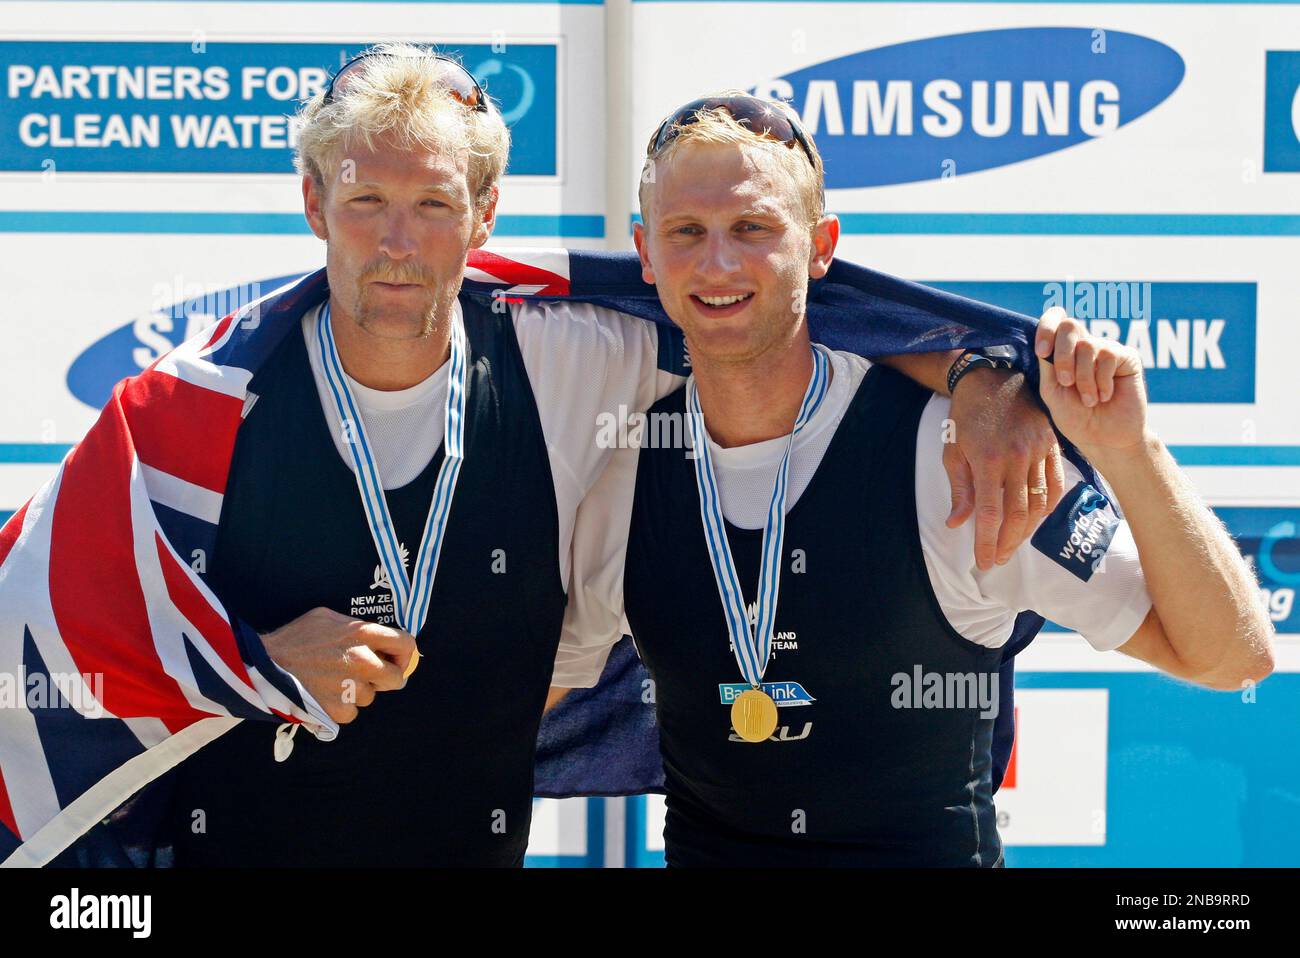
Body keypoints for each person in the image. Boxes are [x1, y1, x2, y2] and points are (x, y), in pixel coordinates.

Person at [121, 49, 1055, 866]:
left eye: (434, 203)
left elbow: (767, 319)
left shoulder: (569, 351)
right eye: (366, 200)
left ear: (485, 214)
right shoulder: (196, 402)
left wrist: (981, 371)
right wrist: (254, 660)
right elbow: (66, 632)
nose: (397, 243)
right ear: (315, 204)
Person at [557, 94, 1277, 866]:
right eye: (686, 233)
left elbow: (1230, 657)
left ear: (821, 246)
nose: (718, 263)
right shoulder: (622, 473)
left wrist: (1133, 453)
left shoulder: (962, 451)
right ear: (645, 251)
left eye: (753, 228)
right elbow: (517, 700)